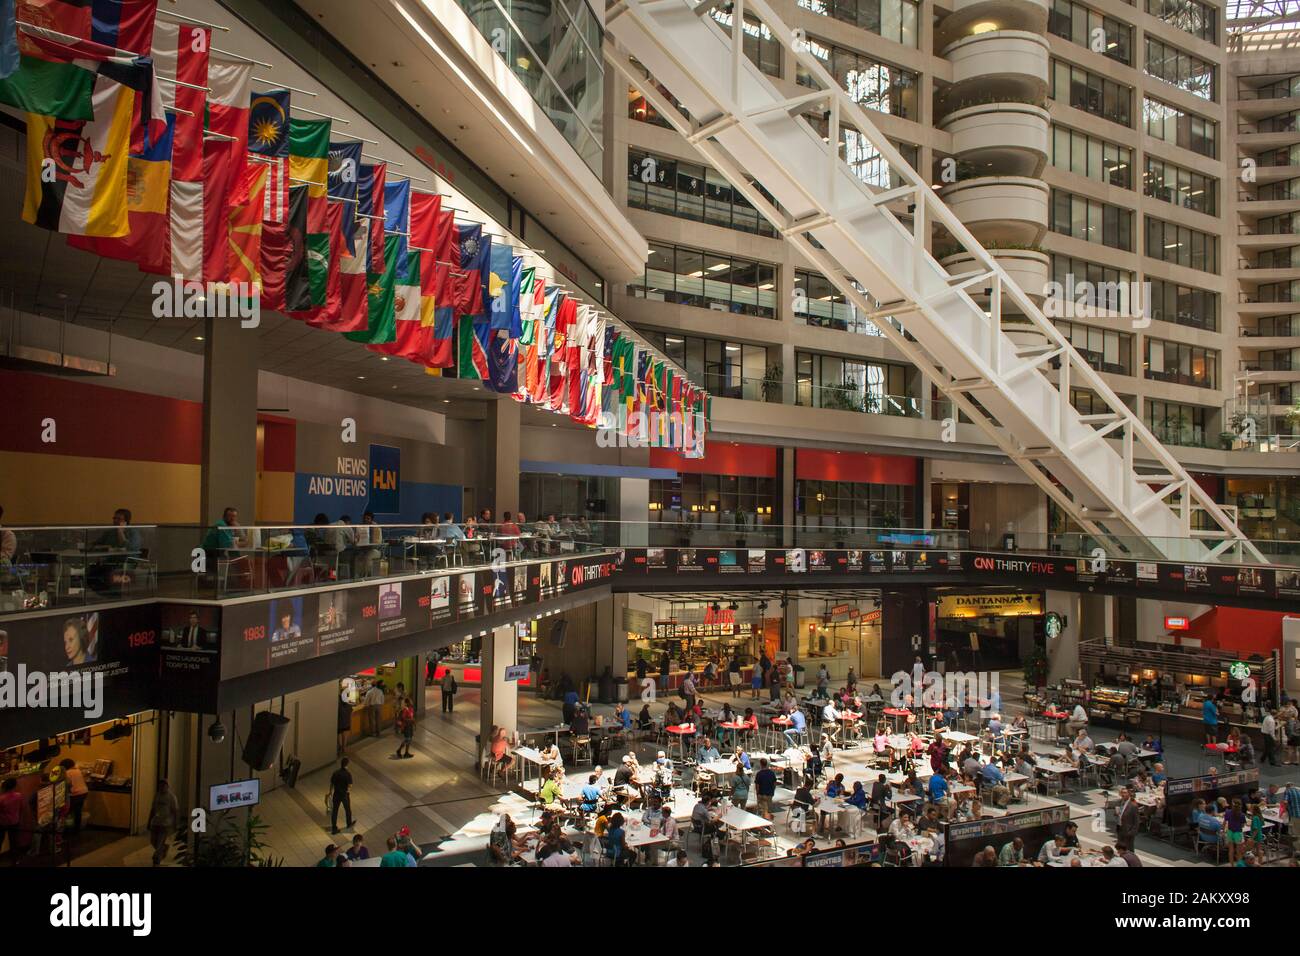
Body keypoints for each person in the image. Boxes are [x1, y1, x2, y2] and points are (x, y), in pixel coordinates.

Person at [147, 779, 179, 866]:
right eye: (160, 786)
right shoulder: (157, 795)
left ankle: (156, 859)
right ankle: (164, 848)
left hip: (165, 824)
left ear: (167, 786)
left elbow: (175, 811)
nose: (162, 788)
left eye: (164, 786)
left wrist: (175, 823)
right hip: (155, 822)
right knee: (153, 841)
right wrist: (149, 821)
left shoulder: (172, 797)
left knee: (160, 842)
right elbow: (153, 809)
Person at [60, 759, 89, 833]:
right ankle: (77, 829)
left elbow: (66, 784)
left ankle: (66, 830)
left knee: (67, 812)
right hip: (84, 792)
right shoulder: (78, 770)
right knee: (78, 811)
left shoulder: (67, 773)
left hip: (75, 794)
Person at [329, 758, 355, 834]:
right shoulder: (348, 774)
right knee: (347, 810)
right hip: (344, 795)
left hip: (336, 794)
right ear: (347, 764)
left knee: (335, 811)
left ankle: (334, 827)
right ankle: (349, 823)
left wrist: (330, 792)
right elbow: (350, 785)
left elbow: (332, 784)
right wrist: (347, 791)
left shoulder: (336, 773)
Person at [0, 778, 22, 863]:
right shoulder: (19, 796)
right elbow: (20, 808)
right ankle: (15, 859)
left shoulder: (1, 799)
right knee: (14, 841)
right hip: (15, 821)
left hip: (2, 822)